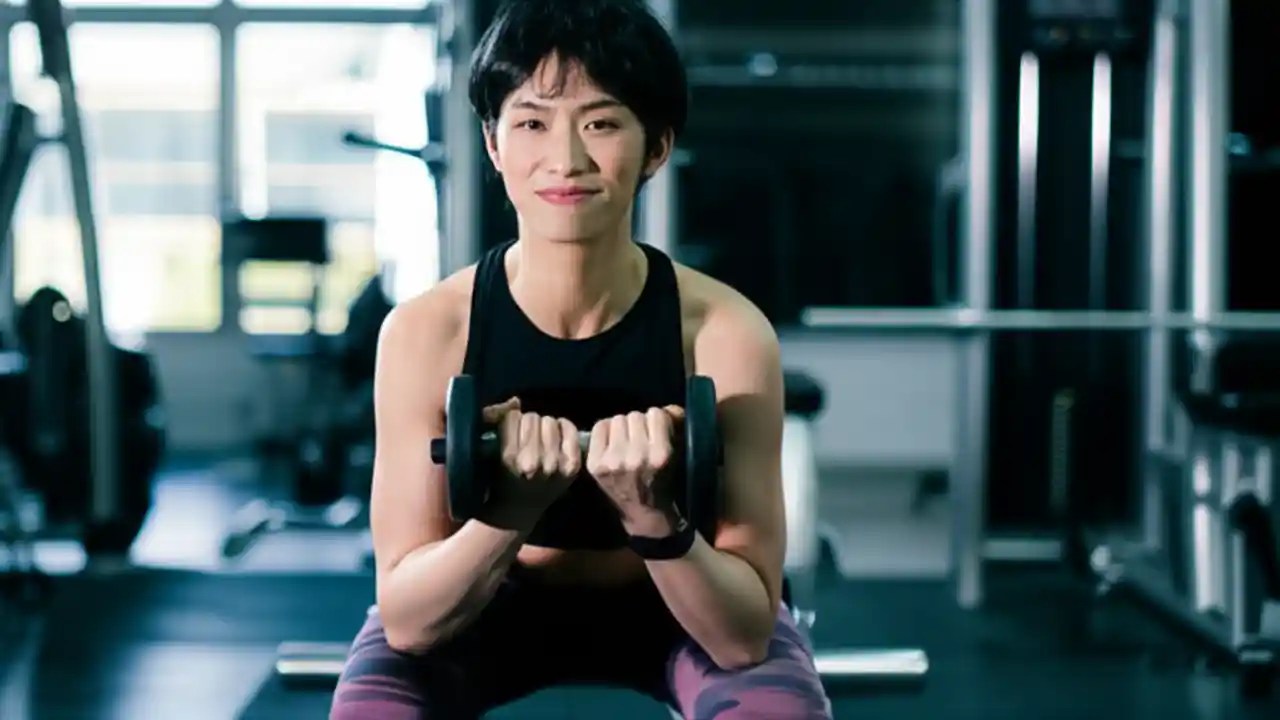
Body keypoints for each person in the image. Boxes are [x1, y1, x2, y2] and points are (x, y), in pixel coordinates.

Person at [330, 1, 832, 717]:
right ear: (494, 143)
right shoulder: (425, 333)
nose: (565, 159)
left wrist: (652, 515)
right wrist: (511, 512)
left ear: (656, 147)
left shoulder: (725, 333)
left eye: (600, 123)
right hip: (487, 598)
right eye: (533, 123)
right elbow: (409, 620)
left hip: (674, 601)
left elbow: (743, 637)